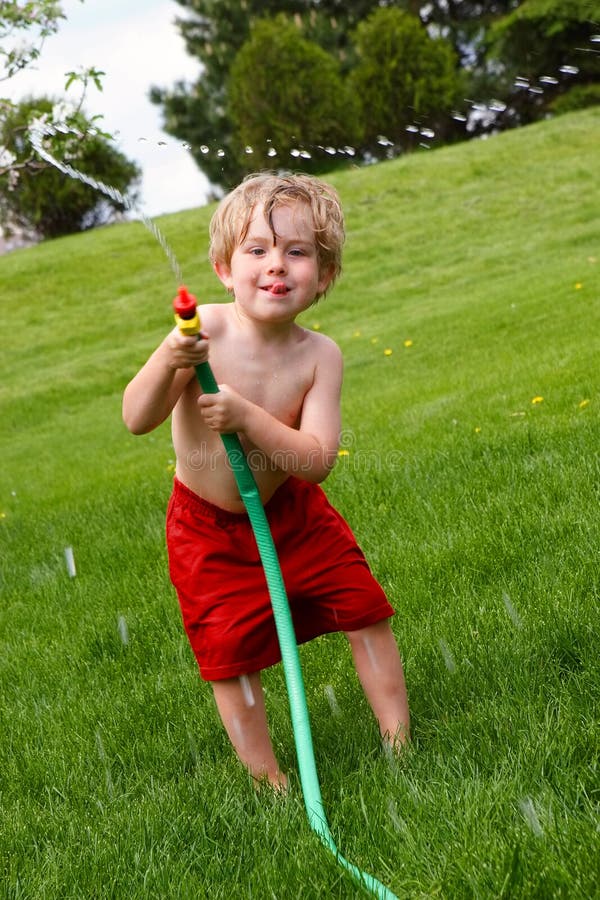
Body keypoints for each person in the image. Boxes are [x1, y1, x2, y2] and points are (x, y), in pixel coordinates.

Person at [122, 172, 410, 790]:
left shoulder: (318, 355)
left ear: (324, 276)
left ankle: (399, 739)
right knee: (231, 657)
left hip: (294, 515)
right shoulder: (202, 334)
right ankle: (270, 781)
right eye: (257, 250)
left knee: (365, 610)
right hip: (207, 530)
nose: (276, 265)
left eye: (297, 252)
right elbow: (136, 419)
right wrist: (171, 358)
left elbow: (316, 459)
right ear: (225, 268)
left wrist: (248, 418)